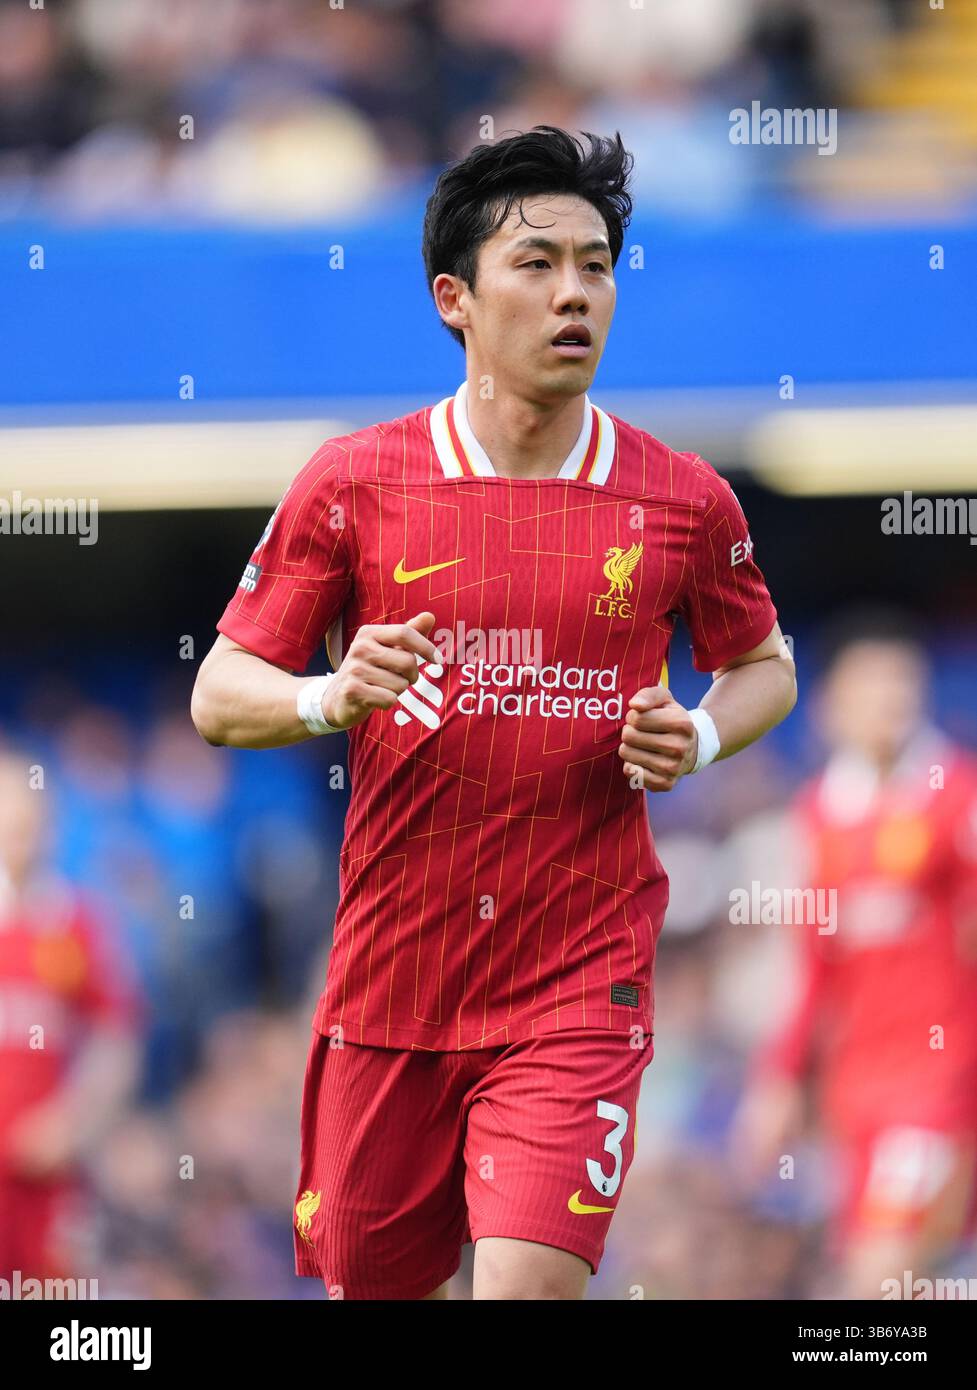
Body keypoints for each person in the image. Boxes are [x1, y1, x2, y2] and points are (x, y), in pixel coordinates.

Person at [191, 126, 796, 1300]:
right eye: (536, 263)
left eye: (596, 263)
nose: (575, 291)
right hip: (391, 986)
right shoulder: (354, 482)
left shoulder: (679, 499)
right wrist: (331, 693)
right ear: (454, 299)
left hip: (577, 978)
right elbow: (220, 695)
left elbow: (764, 662)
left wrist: (705, 733)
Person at [735, 613, 977, 1299]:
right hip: (855, 1093)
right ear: (829, 707)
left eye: (902, 683)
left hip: (938, 1085)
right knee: (901, 1283)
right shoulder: (820, 815)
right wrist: (778, 1081)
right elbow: (813, 967)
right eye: (871, 684)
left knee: (880, 1279)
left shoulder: (954, 798)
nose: (889, 699)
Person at [0, 750, 141, 1289]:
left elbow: (117, 1038)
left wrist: (75, 1120)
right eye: (10, 825)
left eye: (31, 825)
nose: (22, 839)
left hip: (48, 1175)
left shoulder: (73, 922)